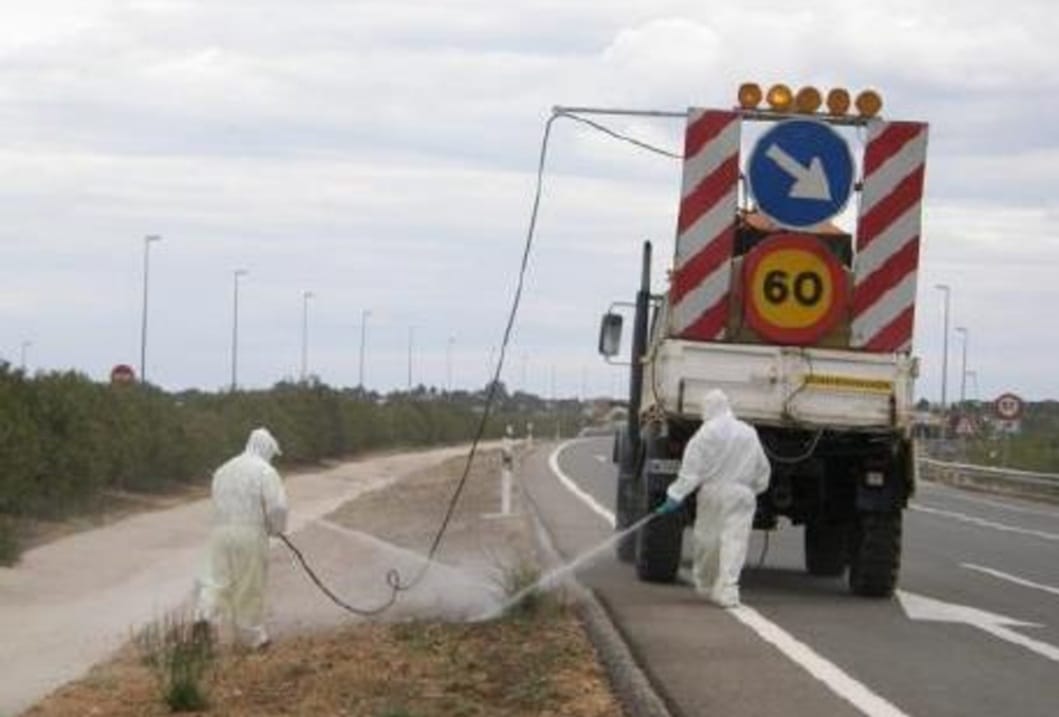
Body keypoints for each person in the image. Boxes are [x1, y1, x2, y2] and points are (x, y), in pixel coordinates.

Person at [657, 390, 770, 608]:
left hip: (712, 493)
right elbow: (763, 469)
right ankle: (728, 589)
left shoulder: (705, 433)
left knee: (708, 540)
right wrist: (754, 489)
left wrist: (675, 495)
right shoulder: (749, 432)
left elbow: (691, 471)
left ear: (708, 408)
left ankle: (707, 584)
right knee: (734, 541)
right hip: (742, 494)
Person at [195, 427, 287, 648]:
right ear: (266, 448)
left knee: (216, 581)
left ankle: (204, 617)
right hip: (250, 532)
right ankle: (253, 638)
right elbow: (278, 507)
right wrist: (275, 529)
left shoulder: (222, 469)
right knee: (249, 584)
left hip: (220, 533)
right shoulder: (265, 471)